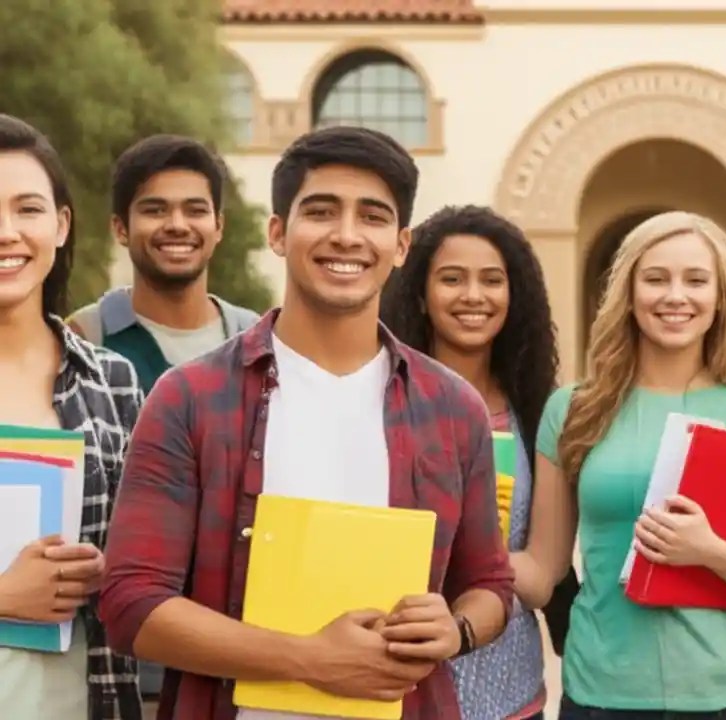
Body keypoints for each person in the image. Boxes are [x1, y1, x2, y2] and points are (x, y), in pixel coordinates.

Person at [98, 126, 514, 720]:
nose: (347, 236)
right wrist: (309, 659)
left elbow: (491, 586)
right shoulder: (190, 398)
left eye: (372, 217)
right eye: (321, 212)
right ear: (277, 232)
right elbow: (132, 604)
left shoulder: (453, 408)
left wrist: (457, 627)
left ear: (400, 245)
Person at [520, 210, 726, 720]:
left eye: (696, 280)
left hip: (723, 696)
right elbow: (544, 569)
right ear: (629, 293)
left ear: (721, 298)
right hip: (598, 692)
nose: (676, 296)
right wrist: (467, 545)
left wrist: (710, 551)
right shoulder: (572, 408)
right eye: (656, 279)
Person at [380, 204, 560, 720]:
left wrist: (472, 555)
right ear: (420, 291)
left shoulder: (536, 413)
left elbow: (543, 575)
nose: (473, 296)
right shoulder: (379, 399)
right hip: (398, 674)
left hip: (509, 691)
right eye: (452, 279)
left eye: (492, 281)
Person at [0, 114, 143, 719]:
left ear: (61, 226)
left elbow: (146, 564)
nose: (7, 233)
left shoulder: (112, 382)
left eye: (27, 209)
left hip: (80, 697)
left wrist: (120, 568)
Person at [67, 134, 258, 393]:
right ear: (121, 228)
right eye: (155, 210)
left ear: (218, 227)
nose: (177, 225)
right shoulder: (84, 337)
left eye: (195, 211)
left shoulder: (253, 337)